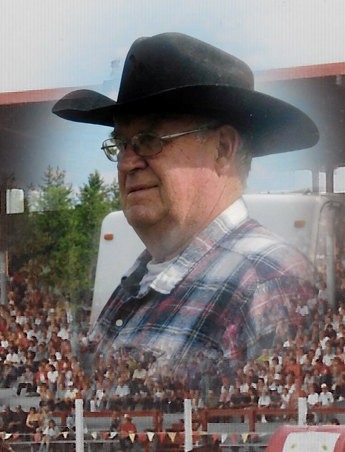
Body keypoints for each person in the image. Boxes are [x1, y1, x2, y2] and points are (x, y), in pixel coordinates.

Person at [51, 32, 320, 377]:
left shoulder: (266, 284)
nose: (126, 162)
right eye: (120, 145)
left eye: (149, 140)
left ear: (222, 148)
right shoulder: (139, 280)